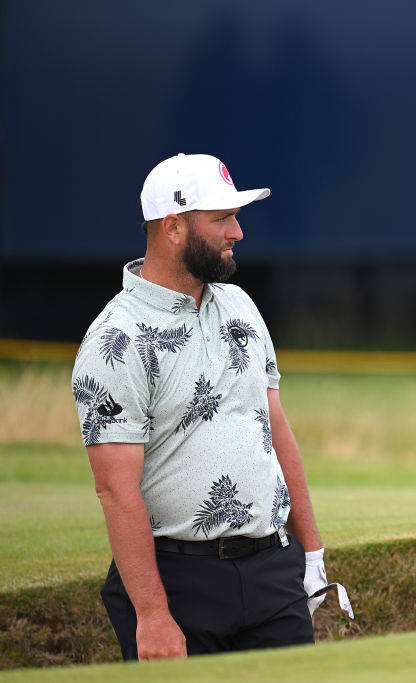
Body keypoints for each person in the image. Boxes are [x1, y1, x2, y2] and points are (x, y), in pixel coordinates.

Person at [71, 153, 348, 661]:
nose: (237, 232)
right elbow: (115, 489)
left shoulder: (241, 305)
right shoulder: (116, 339)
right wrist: (152, 614)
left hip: (271, 573)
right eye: (221, 219)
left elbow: (276, 429)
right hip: (179, 581)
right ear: (173, 228)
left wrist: (311, 553)